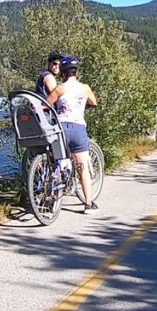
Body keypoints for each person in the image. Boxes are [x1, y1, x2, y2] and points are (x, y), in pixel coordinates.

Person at [45, 55, 99, 213]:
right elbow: (94, 103)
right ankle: (88, 203)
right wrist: (82, 106)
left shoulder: (60, 88)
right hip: (78, 129)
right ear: (76, 72)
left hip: (61, 129)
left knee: (57, 162)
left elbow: (46, 105)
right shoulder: (85, 88)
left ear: (63, 72)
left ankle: (51, 198)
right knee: (82, 167)